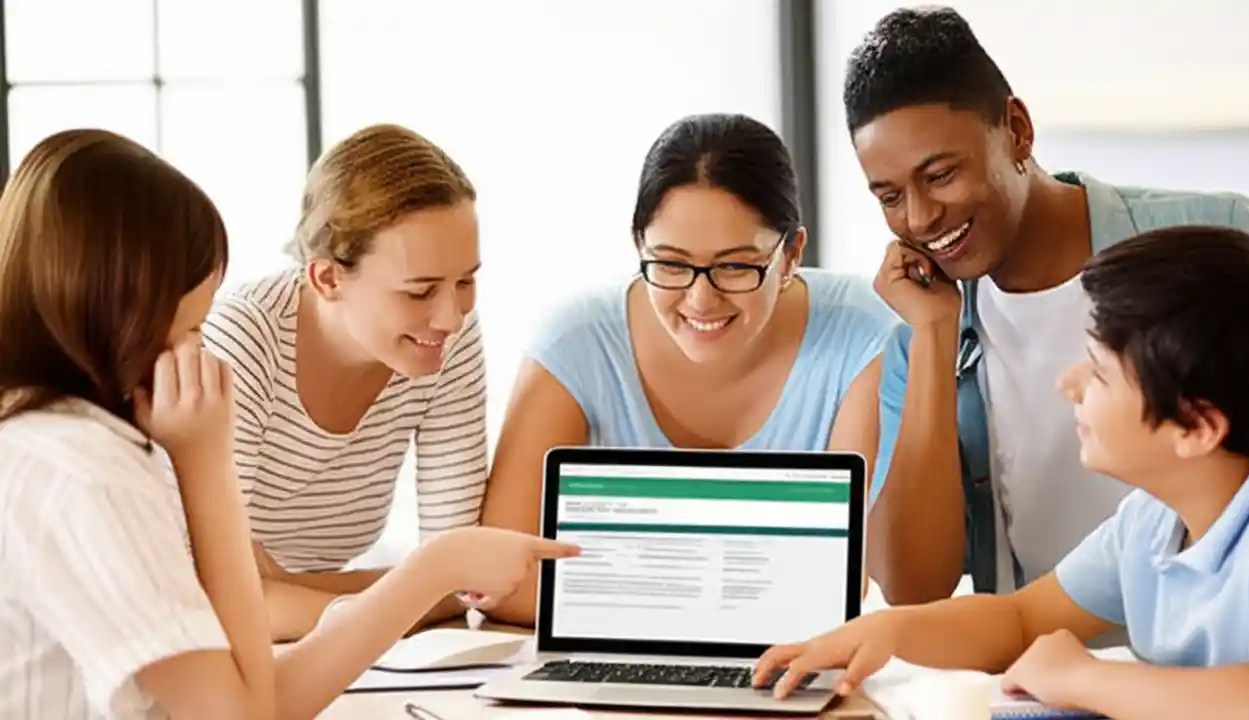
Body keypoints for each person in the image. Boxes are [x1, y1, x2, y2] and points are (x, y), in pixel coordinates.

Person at [0, 129, 576, 719]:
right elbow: (247, 713)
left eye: (466, 282)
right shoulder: (81, 471)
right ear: (119, 316)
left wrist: (431, 570)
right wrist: (205, 462)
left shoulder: (74, 447)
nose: (450, 316)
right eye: (194, 329)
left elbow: (261, 700)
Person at [756, 226, 1249, 720]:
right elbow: (1020, 620)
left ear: (1197, 427)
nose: (1069, 385)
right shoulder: (1152, 520)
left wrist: (1080, 677)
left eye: (1099, 373)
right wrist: (885, 632)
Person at [850, 6, 1249, 605]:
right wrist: (935, 334)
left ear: (1017, 130)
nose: (919, 218)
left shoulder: (1212, 236)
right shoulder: (920, 332)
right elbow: (912, 587)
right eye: (890, 197)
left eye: (941, 175)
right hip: (1039, 647)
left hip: (1226, 643)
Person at [481, 112, 900, 625]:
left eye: (735, 266)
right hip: (616, 656)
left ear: (791, 254)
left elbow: (841, 581)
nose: (701, 299)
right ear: (639, 244)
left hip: (786, 656)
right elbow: (501, 580)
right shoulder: (577, 342)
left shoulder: (865, 335)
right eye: (671, 264)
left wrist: (620, 585)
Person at [203, 124, 490, 640]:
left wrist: (289, 588)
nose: (451, 316)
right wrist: (409, 590)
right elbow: (208, 601)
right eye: (419, 291)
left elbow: (461, 576)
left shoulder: (447, 339)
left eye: (466, 280)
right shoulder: (246, 337)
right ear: (328, 278)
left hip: (312, 642)